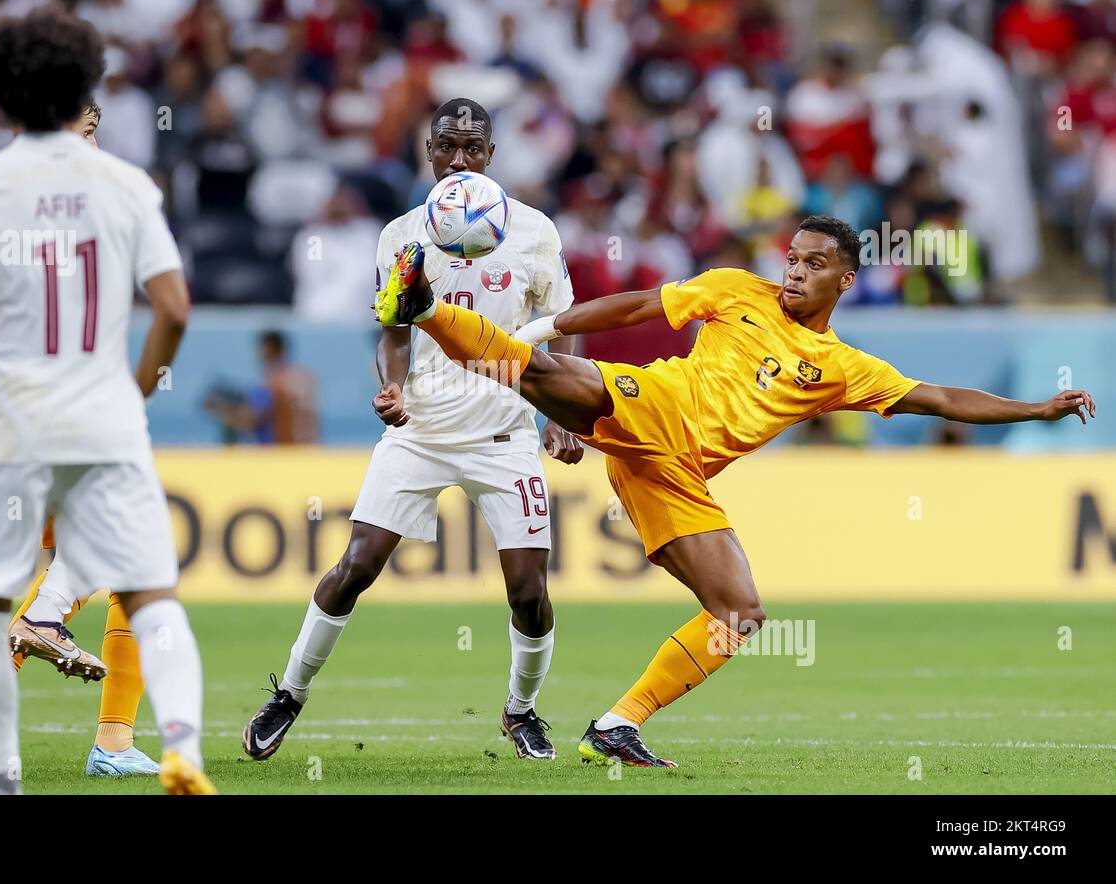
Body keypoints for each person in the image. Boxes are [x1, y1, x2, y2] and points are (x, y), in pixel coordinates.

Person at [375, 213, 1096, 767]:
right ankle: (427, 308)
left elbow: (936, 397)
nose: (794, 273)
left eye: (815, 265)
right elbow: (636, 310)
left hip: (674, 472)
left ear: (845, 282)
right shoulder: (733, 290)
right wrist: (549, 324)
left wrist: (1034, 409)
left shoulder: (841, 366)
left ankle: (616, 726)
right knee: (538, 372)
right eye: (792, 259)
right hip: (653, 401)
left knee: (739, 612)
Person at [0, 7, 211, 795]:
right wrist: (139, 387)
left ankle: (2, 784)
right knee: (151, 591)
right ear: (83, 88)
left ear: (4, 95)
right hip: (98, 416)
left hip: (7, 421)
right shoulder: (125, 186)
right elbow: (175, 308)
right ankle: (176, 744)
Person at [245, 98, 582, 762]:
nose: (459, 160)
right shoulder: (403, 234)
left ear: (493, 155)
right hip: (421, 430)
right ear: (427, 151)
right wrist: (393, 384)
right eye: (447, 147)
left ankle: (521, 712)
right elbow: (394, 332)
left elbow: (562, 328)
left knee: (530, 590)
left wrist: (563, 415)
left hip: (504, 434)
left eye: (474, 149)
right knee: (355, 566)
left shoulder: (535, 232)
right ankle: (288, 693)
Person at [203, 331, 318, 444]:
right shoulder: (304, 378)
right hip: (309, 452)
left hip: (282, 455)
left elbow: (247, 420)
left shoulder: (274, 384)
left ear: (271, 349)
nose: (259, 356)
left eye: (261, 350)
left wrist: (218, 410)